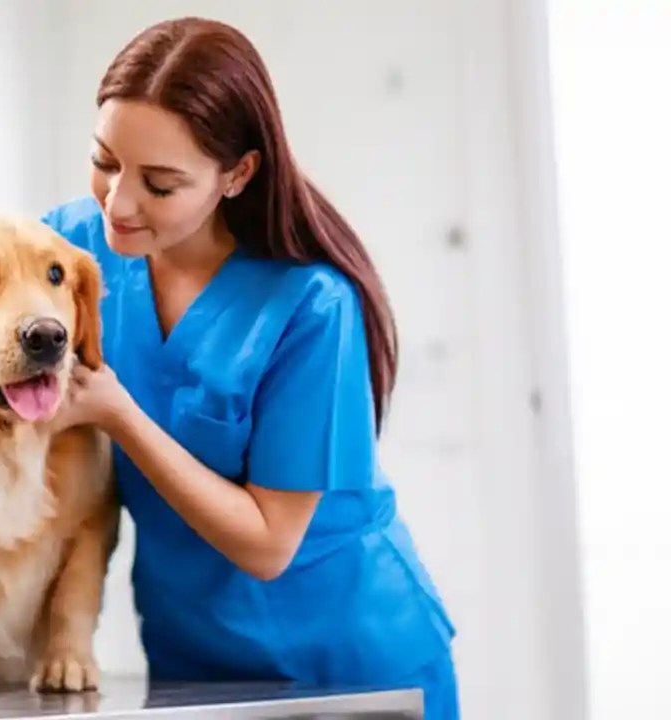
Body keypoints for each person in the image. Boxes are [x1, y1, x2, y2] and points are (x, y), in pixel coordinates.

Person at [41, 16, 459, 719]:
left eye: (160, 183)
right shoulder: (67, 246)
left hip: (345, 661)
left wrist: (119, 415)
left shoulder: (312, 305)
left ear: (237, 174)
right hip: (192, 659)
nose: (117, 201)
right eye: (104, 161)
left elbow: (270, 544)